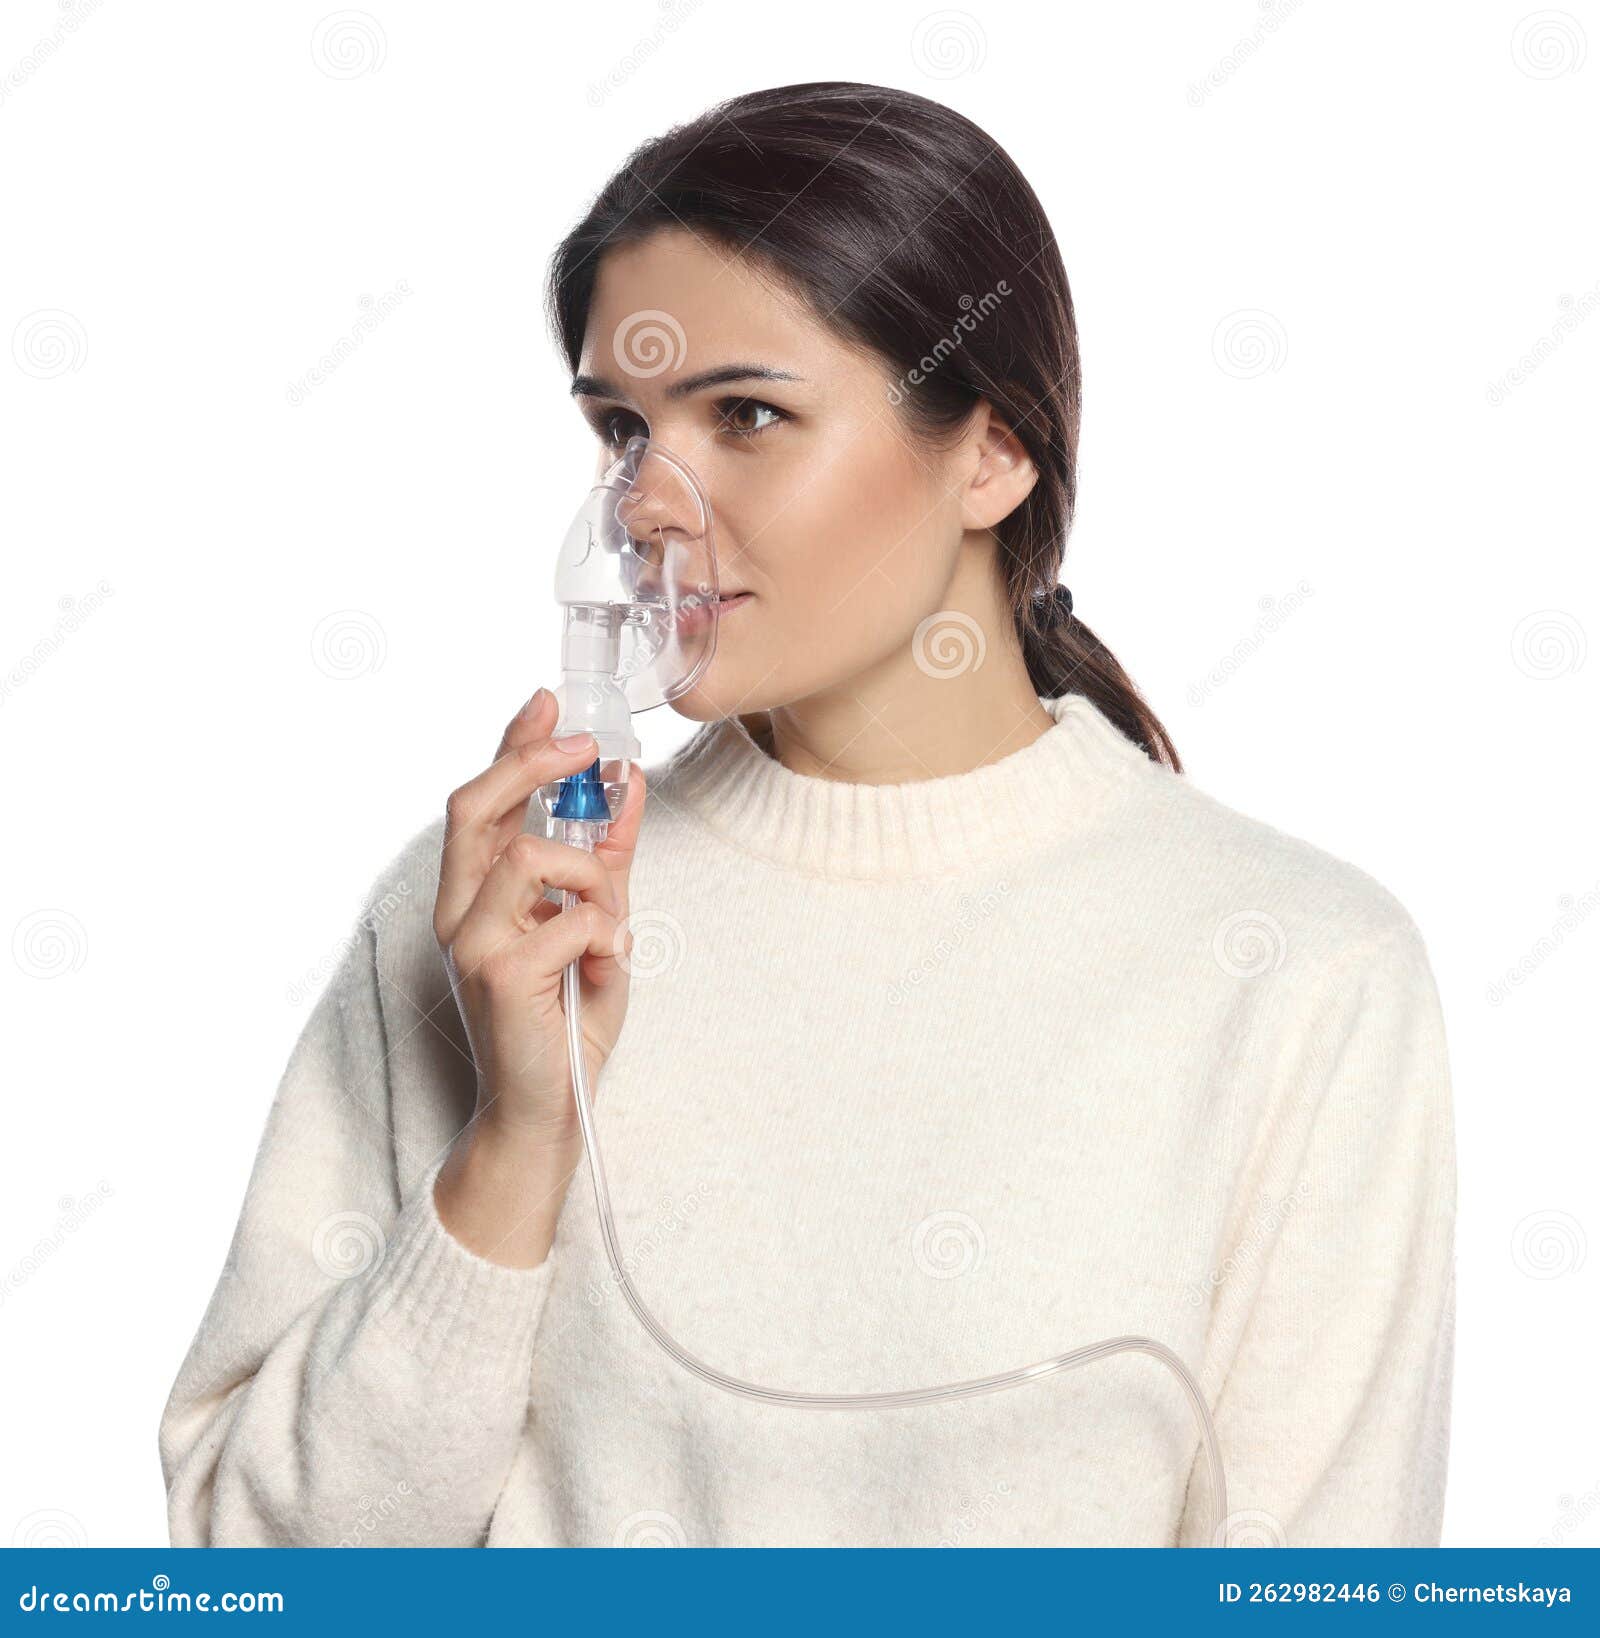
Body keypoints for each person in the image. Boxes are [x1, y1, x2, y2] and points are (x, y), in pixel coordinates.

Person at [160, 82, 1456, 1548]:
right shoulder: (489, 923)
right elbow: (251, 1565)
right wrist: (514, 1147)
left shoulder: (1295, 973)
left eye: (749, 414)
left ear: (994, 452)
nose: (647, 505)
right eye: (621, 428)